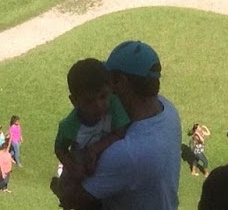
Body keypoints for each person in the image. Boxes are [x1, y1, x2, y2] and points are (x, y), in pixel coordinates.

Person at [70, 40, 181, 210]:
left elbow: (72, 198)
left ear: (120, 82)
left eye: (107, 79)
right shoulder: (167, 110)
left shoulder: (128, 153)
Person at [53, 57, 132, 181]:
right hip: (83, 170)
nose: (98, 106)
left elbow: (121, 133)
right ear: (74, 101)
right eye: (89, 101)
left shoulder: (113, 104)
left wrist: (96, 148)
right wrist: (72, 166)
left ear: (110, 90)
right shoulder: (69, 126)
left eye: (103, 96)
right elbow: (60, 148)